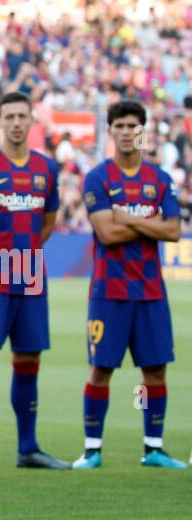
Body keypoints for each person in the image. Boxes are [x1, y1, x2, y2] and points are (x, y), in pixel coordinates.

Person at [0, 91, 70, 470]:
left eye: (23, 116)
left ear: (32, 120)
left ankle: (28, 448)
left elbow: (49, 220)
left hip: (31, 279)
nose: (17, 123)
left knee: (29, 359)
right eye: (10, 117)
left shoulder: (46, 169)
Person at [73, 100, 185, 470]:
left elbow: (173, 230)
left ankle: (153, 447)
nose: (125, 132)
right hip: (110, 291)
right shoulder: (98, 178)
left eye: (132, 126)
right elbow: (106, 232)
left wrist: (126, 217)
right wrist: (146, 222)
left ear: (142, 132)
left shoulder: (159, 179)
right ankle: (92, 449)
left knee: (154, 371)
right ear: (111, 131)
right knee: (101, 368)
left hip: (151, 291)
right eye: (118, 125)